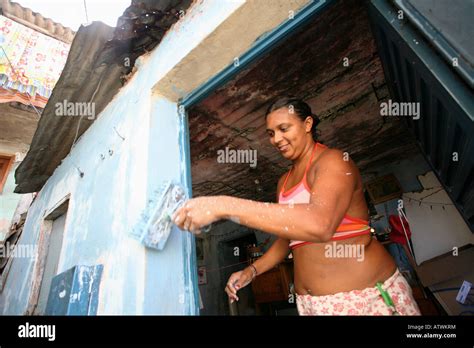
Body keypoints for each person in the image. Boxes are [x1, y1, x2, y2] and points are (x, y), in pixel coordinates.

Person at [173, 96, 420, 315]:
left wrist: (224, 205)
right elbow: (287, 239)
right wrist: (252, 271)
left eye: (283, 128)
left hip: (363, 299)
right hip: (312, 305)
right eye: (271, 133)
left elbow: (319, 224)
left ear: (308, 124)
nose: (276, 139)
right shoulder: (285, 181)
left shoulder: (333, 162)